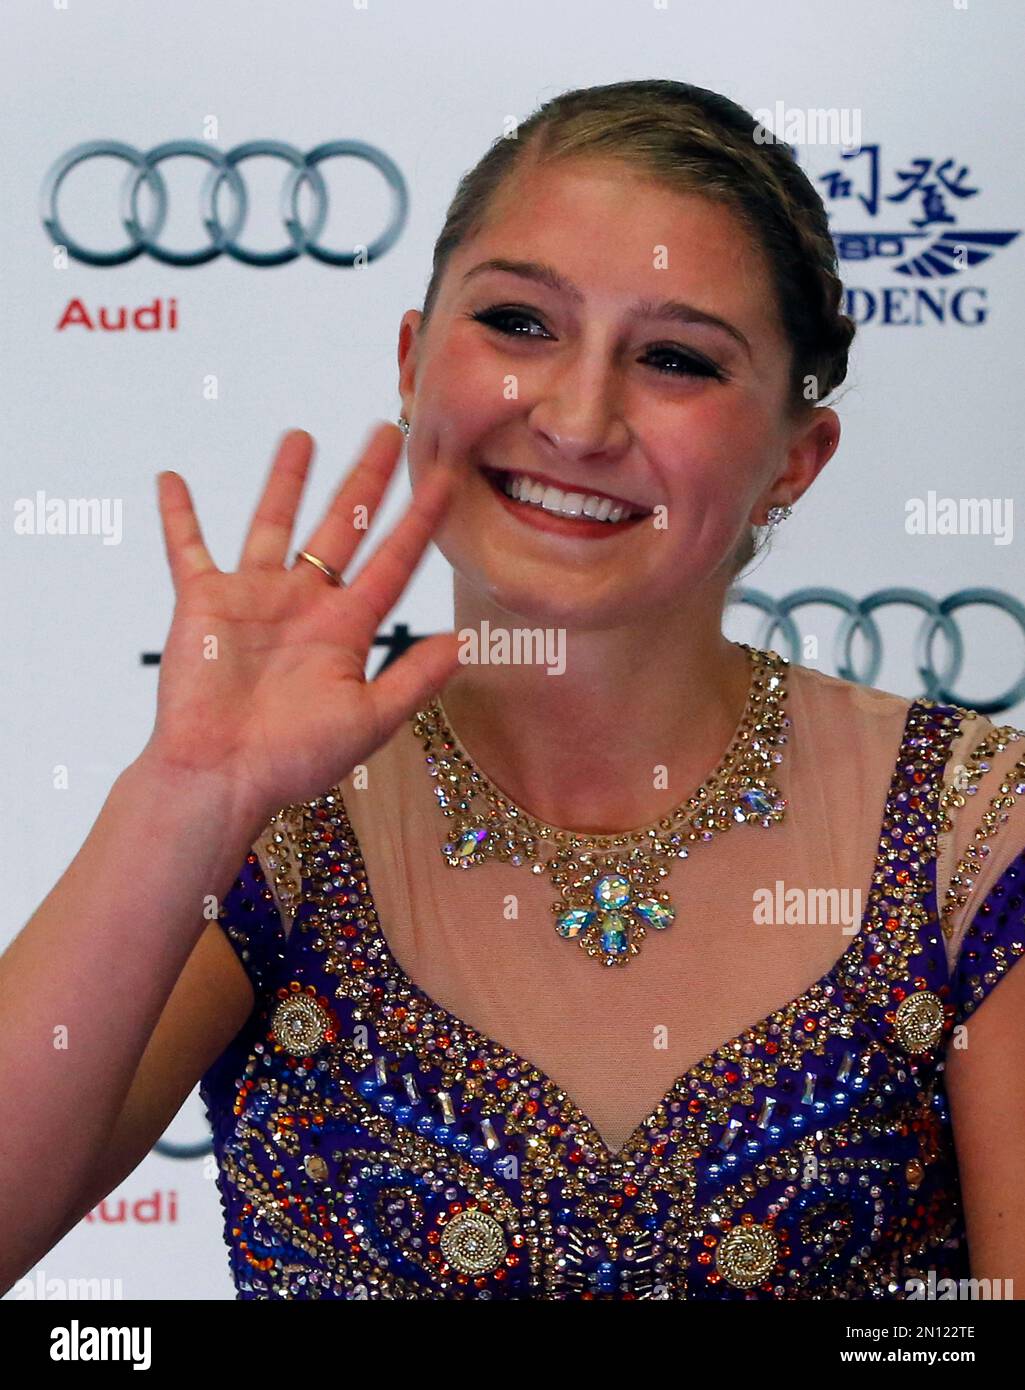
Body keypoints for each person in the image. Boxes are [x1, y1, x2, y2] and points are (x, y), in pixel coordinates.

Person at [3, 78, 1024, 1302]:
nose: (579, 418)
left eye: (673, 358)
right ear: (411, 358)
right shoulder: (279, 827)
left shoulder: (969, 829)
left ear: (792, 461)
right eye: (520, 324)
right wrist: (184, 794)